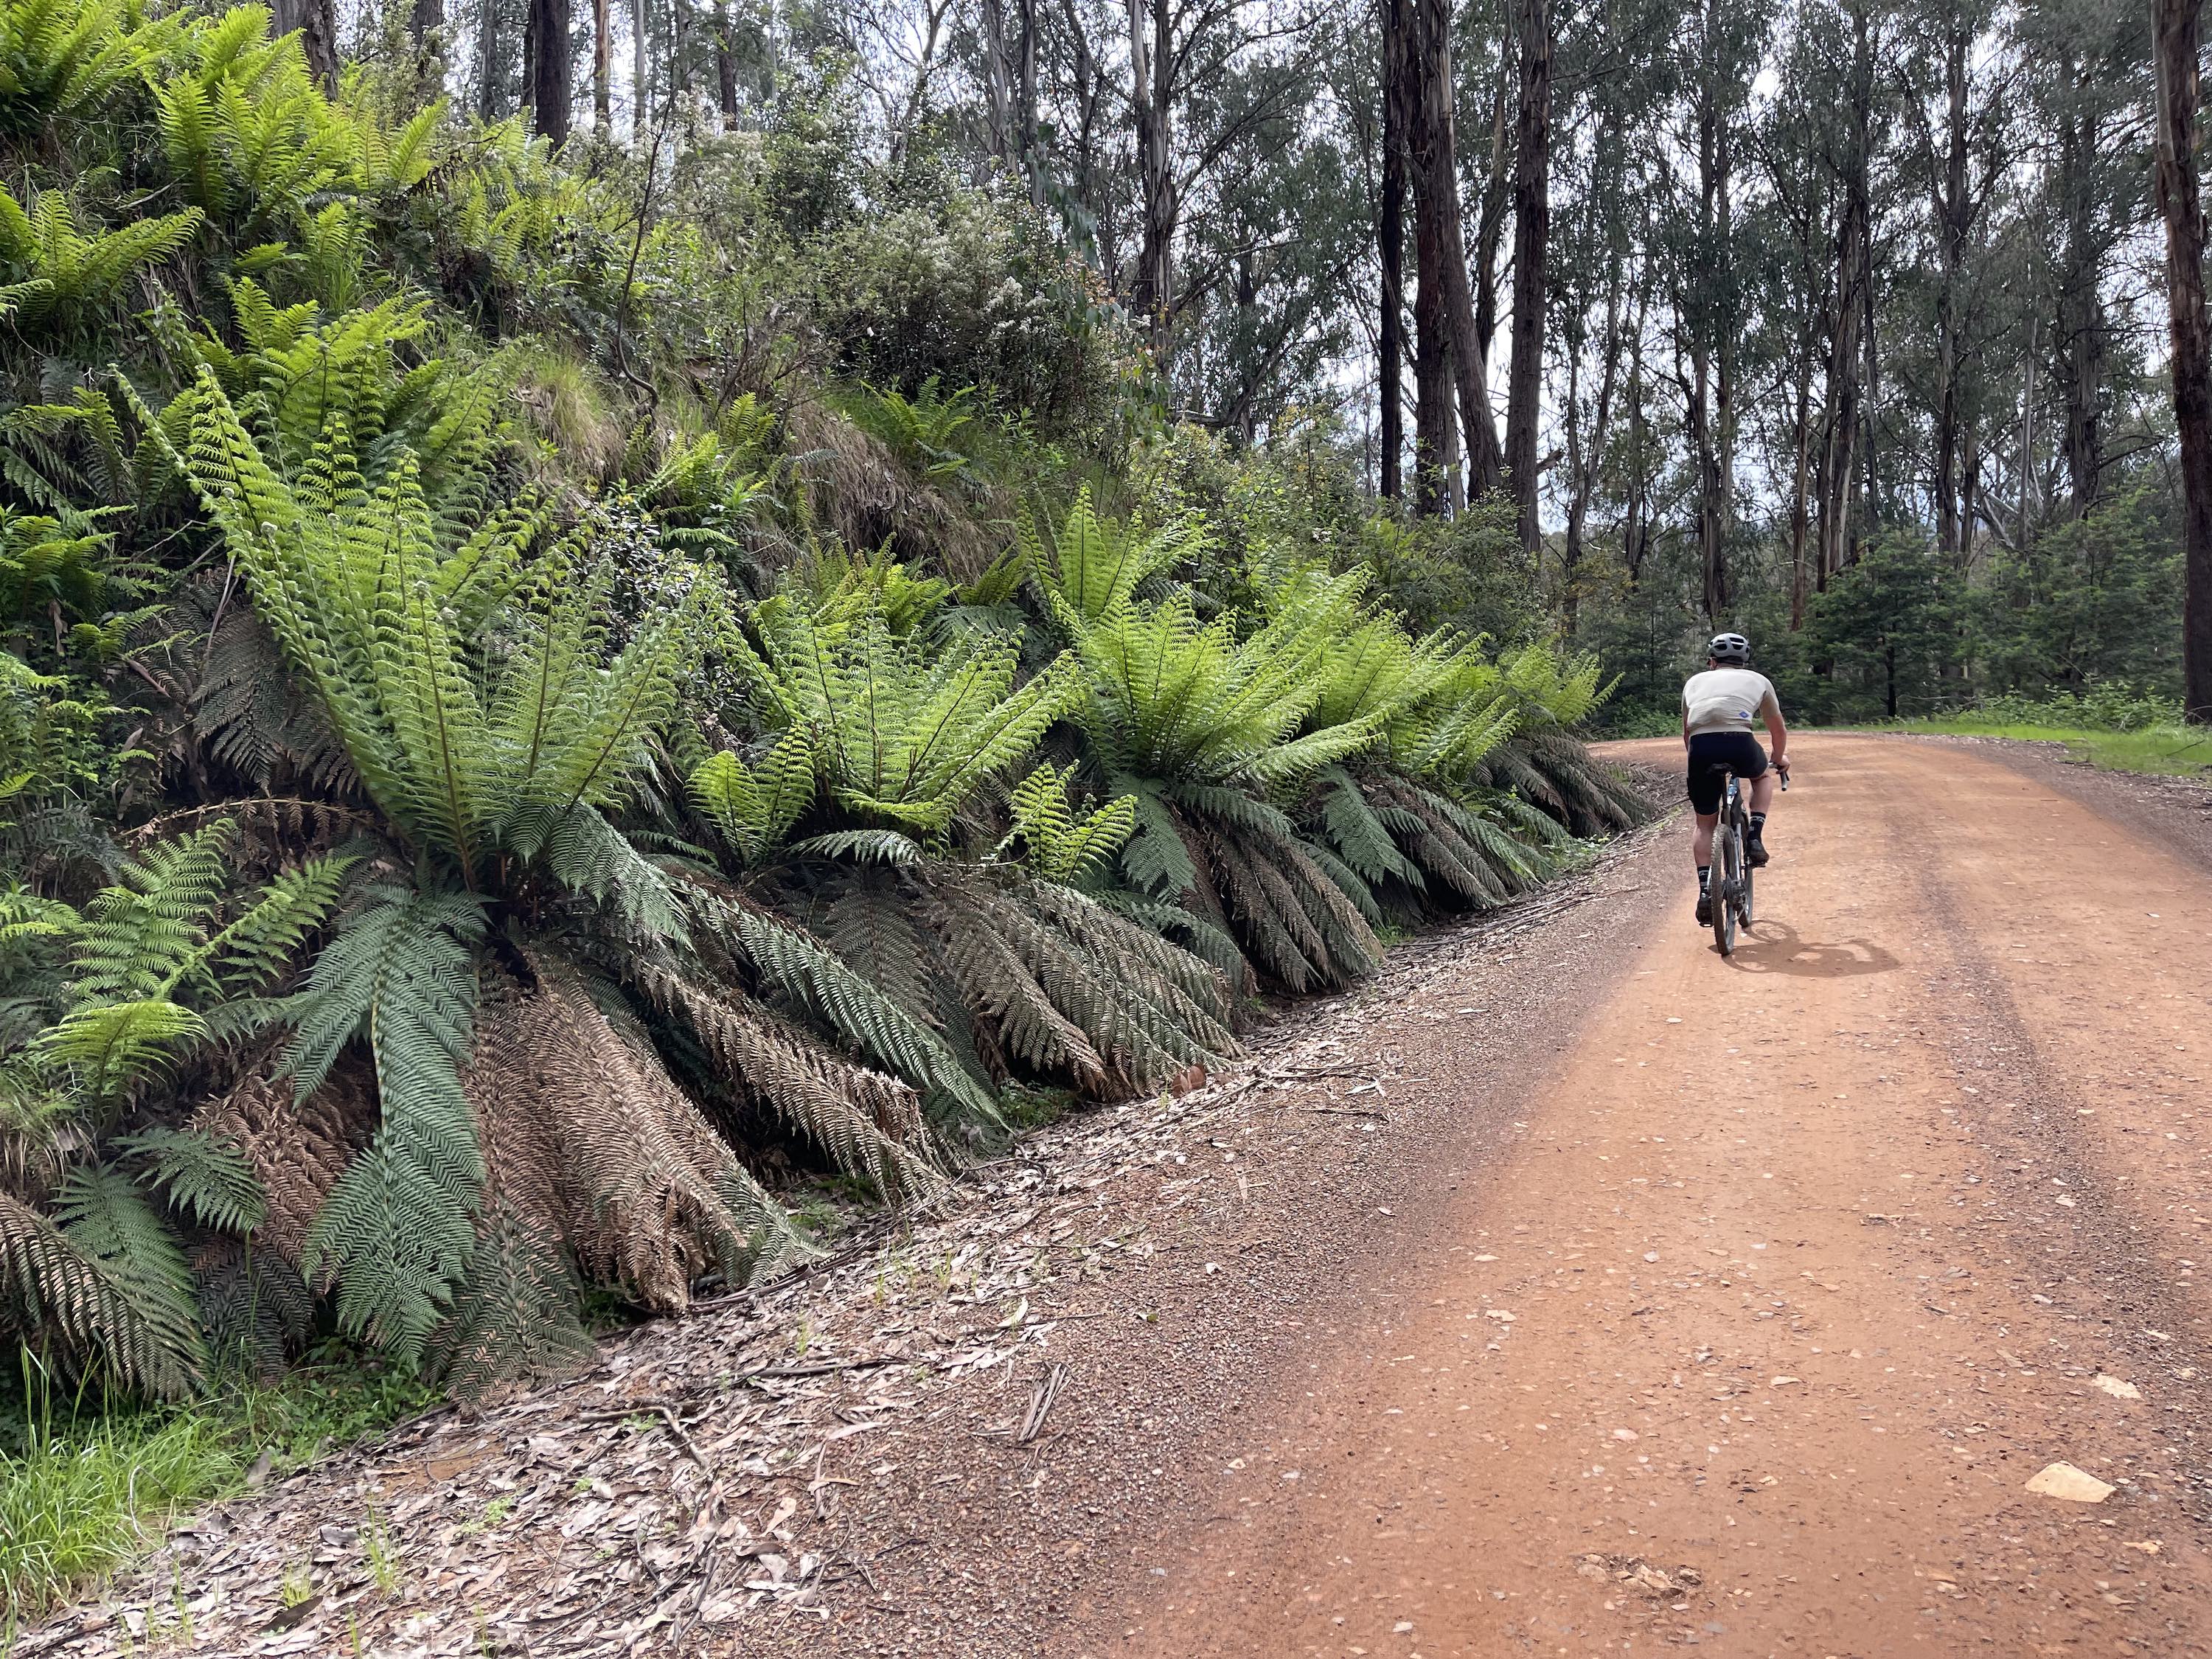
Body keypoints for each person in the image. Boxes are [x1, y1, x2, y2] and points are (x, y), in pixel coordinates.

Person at [1682, 633, 1790, 925]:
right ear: (1744, 662)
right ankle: (1754, 835)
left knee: (1705, 824)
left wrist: (1698, 765)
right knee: (1762, 776)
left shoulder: (1694, 682)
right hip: (1740, 740)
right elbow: (1777, 731)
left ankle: (1706, 891)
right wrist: (1779, 758)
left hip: (1702, 749)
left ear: (1712, 662)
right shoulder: (1758, 680)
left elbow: (1687, 734)